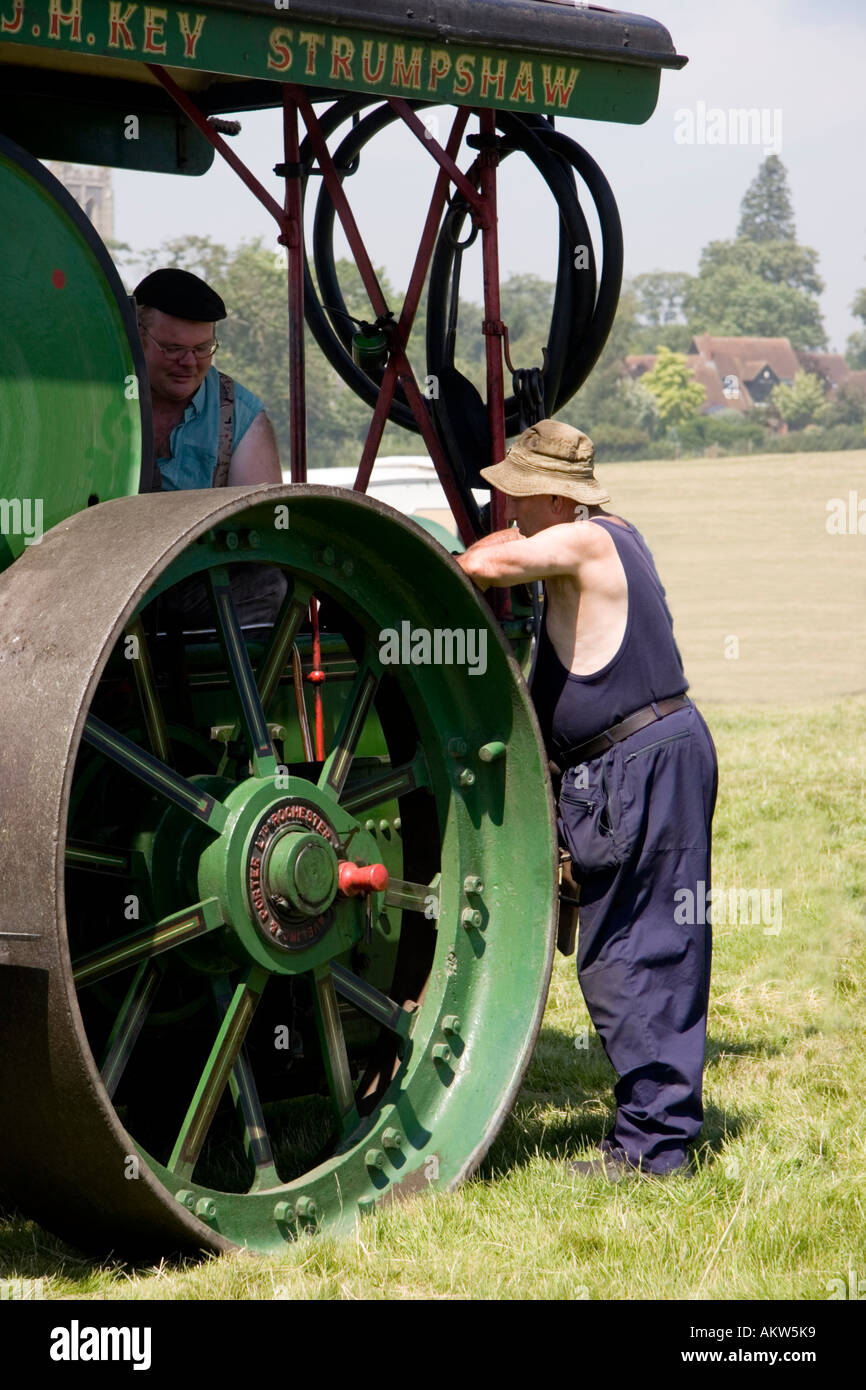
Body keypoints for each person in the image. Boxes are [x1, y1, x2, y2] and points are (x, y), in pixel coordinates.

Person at [456, 419, 718, 1180]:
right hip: (653, 754)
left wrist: (487, 541)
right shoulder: (615, 529)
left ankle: (652, 1151)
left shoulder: (583, 543)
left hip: (637, 764)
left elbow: (479, 564)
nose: (501, 498)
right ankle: (654, 1132)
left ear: (546, 492)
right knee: (643, 944)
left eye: (511, 488)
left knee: (638, 952)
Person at [134, 267, 285, 626]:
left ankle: (230, 677)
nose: (189, 363)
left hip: (194, 587)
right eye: (173, 349)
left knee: (266, 585)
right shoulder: (94, 400)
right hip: (100, 582)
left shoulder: (242, 416)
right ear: (135, 335)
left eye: (203, 348)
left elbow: (265, 535)